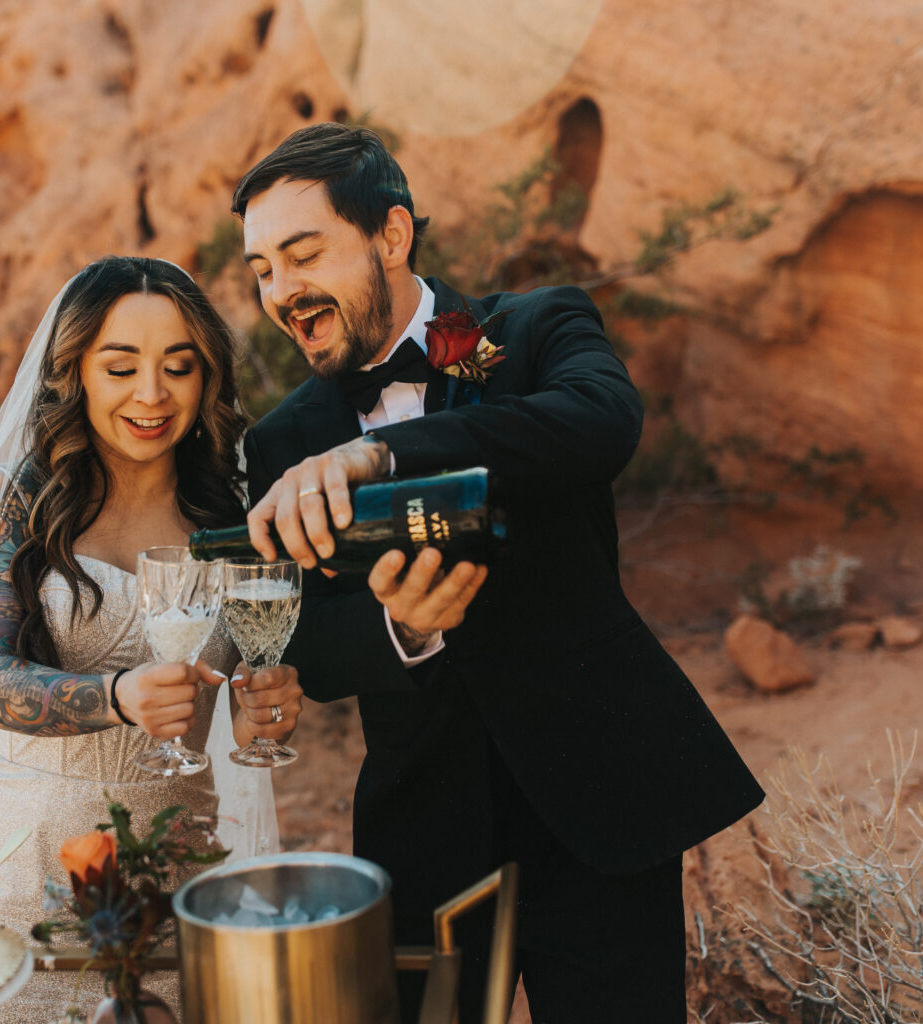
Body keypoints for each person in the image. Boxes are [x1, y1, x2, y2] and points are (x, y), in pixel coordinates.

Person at [233, 124, 764, 1023]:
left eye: (301, 255)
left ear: (391, 236)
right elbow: (309, 646)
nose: (282, 291)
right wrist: (399, 628)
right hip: (424, 834)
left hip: (599, 802)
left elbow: (602, 422)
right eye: (261, 272)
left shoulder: (528, 330)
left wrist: (385, 457)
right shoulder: (282, 441)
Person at [0, 256, 304, 1021]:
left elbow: (233, 677)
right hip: (21, 857)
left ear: (208, 378)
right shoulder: (21, 501)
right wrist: (116, 696)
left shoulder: (230, 516)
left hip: (173, 856)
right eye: (120, 367)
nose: (151, 394)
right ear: (75, 373)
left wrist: (256, 706)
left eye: (179, 366)